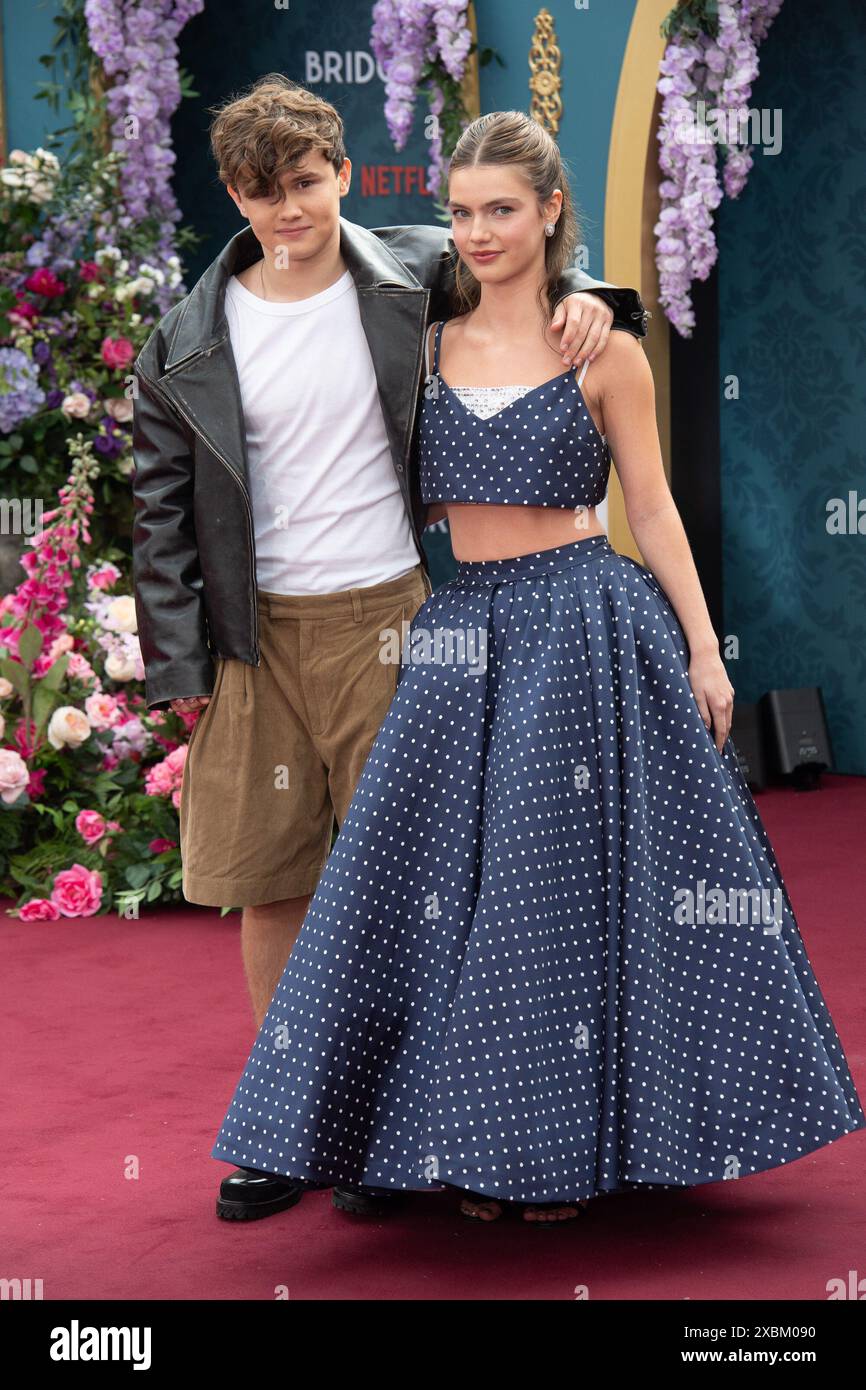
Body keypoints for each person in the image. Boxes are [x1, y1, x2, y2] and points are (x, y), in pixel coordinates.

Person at [210, 107, 866, 1226]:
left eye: (501, 210)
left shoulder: (600, 348)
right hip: (462, 634)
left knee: (551, 900)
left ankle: (551, 1157)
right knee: (437, 898)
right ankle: (441, 1142)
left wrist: (706, 653)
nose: (476, 233)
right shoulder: (417, 340)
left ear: (551, 210)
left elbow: (651, 511)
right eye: (460, 212)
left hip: (582, 624)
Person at [131, 77, 648, 1223]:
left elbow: (527, 265)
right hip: (253, 635)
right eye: (263, 194)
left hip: (396, 621)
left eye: (306, 184)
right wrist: (183, 670)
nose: (289, 212)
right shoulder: (185, 336)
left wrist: (598, 305)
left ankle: (394, 1133)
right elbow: (158, 512)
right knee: (270, 881)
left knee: (409, 885)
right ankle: (294, 1125)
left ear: (342, 176)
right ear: (234, 194)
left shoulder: (413, 272)